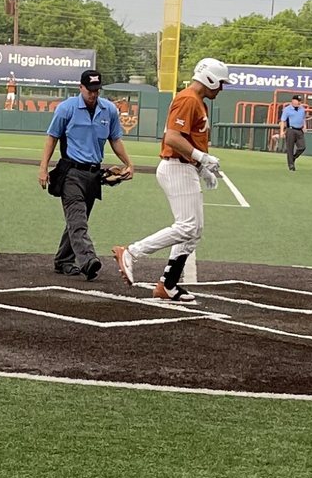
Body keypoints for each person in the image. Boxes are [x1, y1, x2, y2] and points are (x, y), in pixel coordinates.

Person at [112, 57, 229, 303]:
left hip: (185, 168)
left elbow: (186, 140)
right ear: (209, 79)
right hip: (176, 168)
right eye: (220, 83)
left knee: (193, 232)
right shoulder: (188, 99)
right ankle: (131, 252)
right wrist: (202, 158)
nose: (221, 88)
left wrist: (200, 165)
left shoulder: (196, 101)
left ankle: (168, 284)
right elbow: (173, 138)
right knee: (187, 227)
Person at [38, 70, 133, 280]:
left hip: (94, 174)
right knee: (78, 219)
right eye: (90, 90)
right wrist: (43, 168)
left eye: (97, 90)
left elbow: (115, 139)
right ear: (80, 88)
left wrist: (128, 163)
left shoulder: (108, 110)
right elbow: (52, 137)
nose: (93, 94)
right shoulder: (66, 108)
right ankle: (88, 260)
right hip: (70, 172)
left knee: (76, 220)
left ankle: (63, 260)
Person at [280, 94, 306, 171]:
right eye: (298, 101)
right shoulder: (287, 109)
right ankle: (291, 165)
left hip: (299, 130)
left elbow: (303, 118)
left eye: (300, 101)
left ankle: (293, 158)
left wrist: (304, 126)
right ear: (293, 101)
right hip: (291, 130)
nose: (299, 103)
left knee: (302, 147)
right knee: (290, 148)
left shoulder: (302, 109)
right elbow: (282, 120)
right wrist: (282, 131)